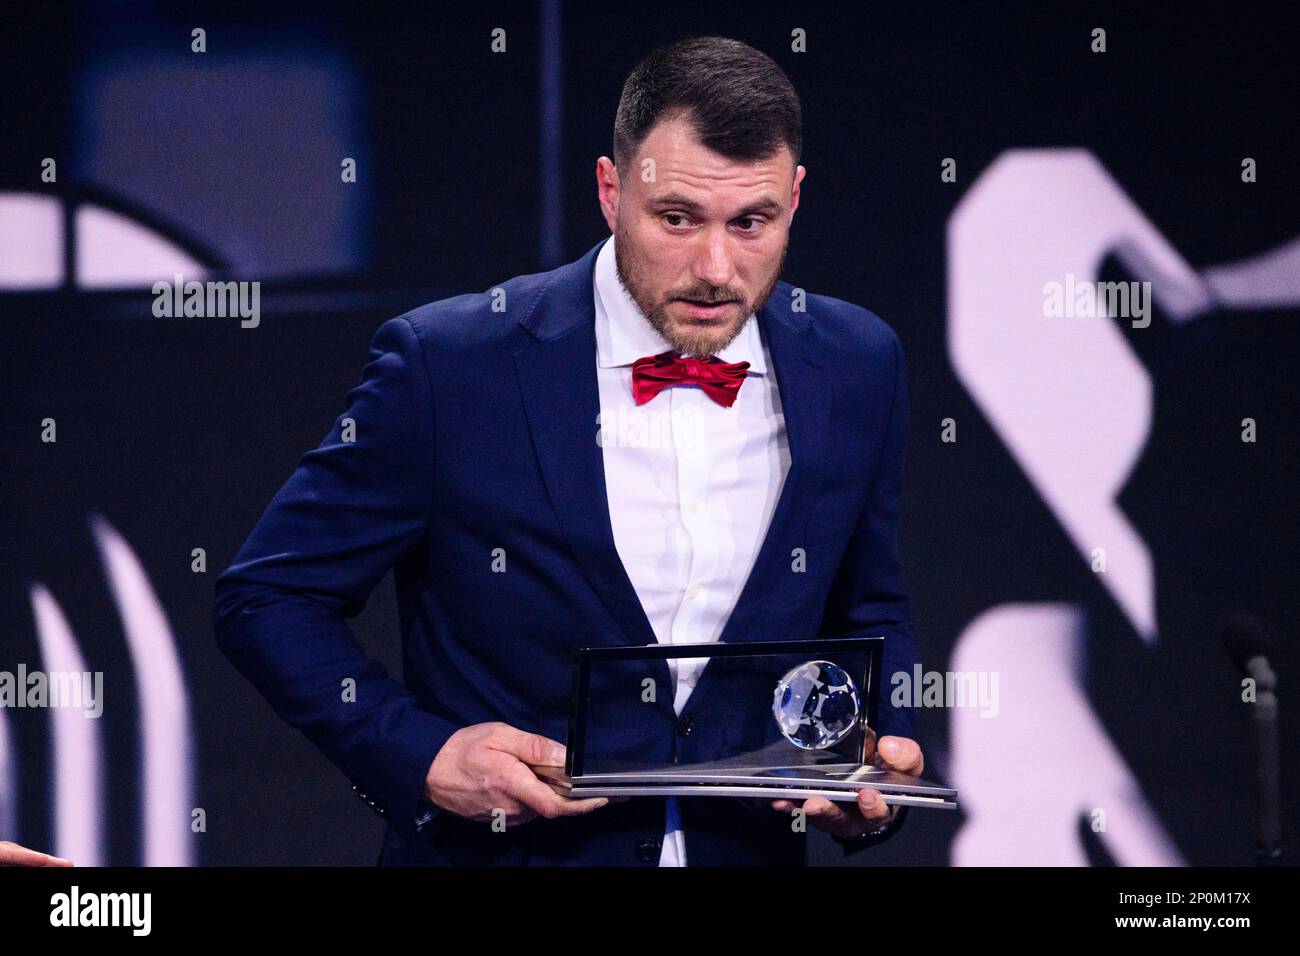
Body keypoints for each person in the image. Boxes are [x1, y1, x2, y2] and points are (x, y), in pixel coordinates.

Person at [212, 35, 924, 866]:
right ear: (610, 190)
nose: (715, 267)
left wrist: (879, 763)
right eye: (678, 218)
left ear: (795, 200)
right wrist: (424, 756)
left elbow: (871, 611)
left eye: (751, 223)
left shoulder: (858, 363)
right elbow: (268, 598)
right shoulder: (451, 365)